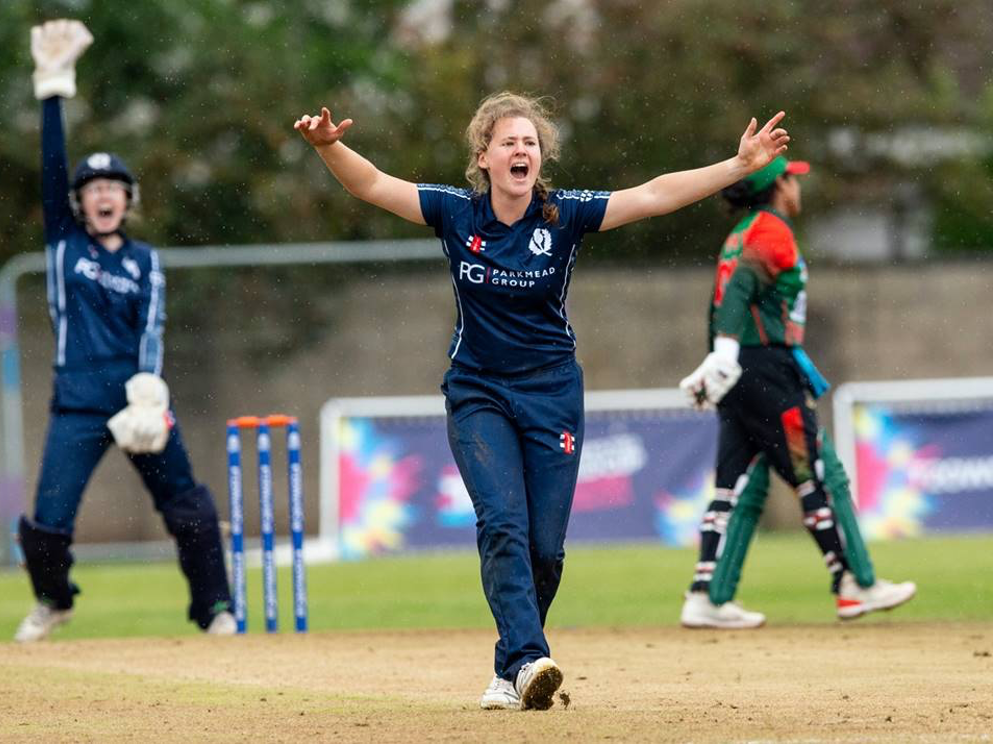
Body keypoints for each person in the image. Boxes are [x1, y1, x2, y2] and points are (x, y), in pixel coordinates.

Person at [296, 92, 790, 709]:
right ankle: (530, 658)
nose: (520, 150)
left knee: (545, 549)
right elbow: (371, 184)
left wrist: (739, 165)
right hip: (477, 391)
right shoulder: (456, 213)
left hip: (552, 391)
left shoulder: (564, 216)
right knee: (502, 523)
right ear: (485, 157)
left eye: (529, 141)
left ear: (540, 156)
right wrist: (328, 147)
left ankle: (509, 671)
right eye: (508, 141)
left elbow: (654, 194)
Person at [15, 19, 235, 642]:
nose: (103, 196)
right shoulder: (63, 244)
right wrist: (53, 91)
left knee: (188, 507)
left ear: (128, 199)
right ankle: (54, 601)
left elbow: (152, 327)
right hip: (77, 401)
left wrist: (148, 389)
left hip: (138, 397)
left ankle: (216, 610)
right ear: (80, 202)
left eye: (114, 188)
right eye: (93, 189)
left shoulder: (144, 261)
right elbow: (52, 163)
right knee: (47, 523)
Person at [678, 156, 916, 629]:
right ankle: (857, 583)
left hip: (743, 371)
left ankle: (707, 593)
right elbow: (741, 288)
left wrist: (721, 358)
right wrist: (725, 354)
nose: (797, 187)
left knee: (737, 484)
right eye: (793, 179)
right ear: (778, 186)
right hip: (764, 369)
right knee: (819, 473)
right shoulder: (771, 228)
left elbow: (724, 299)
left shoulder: (743, 230)